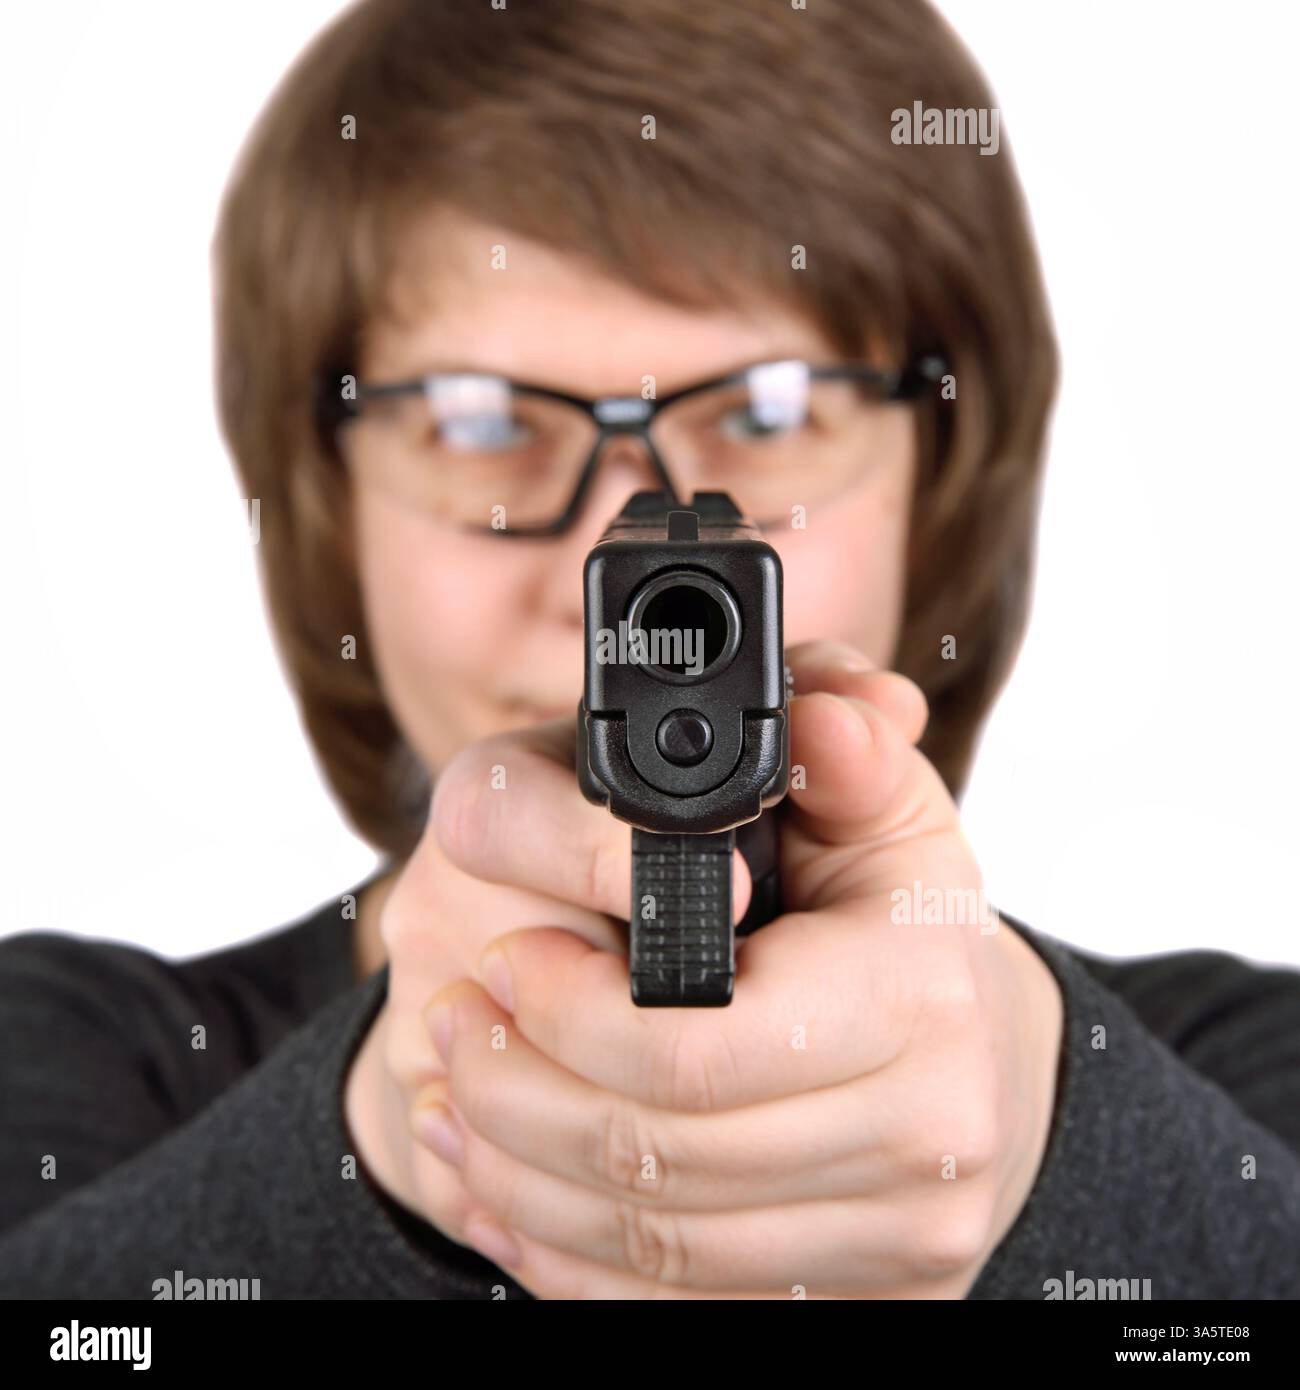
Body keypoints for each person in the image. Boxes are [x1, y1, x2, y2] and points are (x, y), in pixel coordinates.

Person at [3, 0, 1298, 1300]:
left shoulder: (1247, 1065)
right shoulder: (77, 1054)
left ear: (940, 482)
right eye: (480, 421)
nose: (609, 581)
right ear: (330, 505)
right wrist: (385, 1148)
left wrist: (1058, 1141)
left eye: (767, 410)